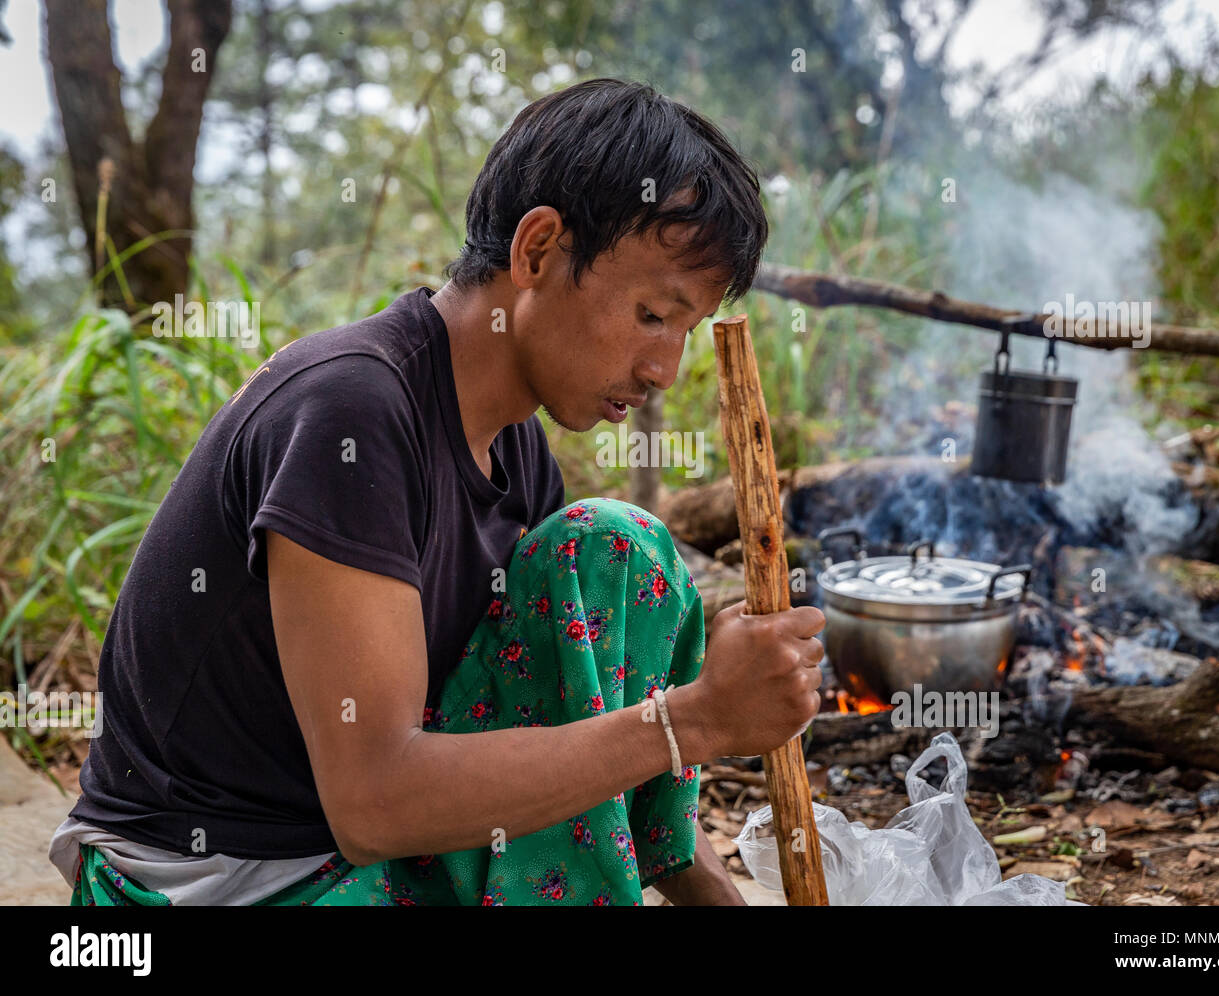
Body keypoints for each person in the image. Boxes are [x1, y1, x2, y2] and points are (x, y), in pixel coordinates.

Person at [50, 77, 826, 906]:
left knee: (615, 551)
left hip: (362, 859)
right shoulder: (352, 411)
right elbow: (375, 803)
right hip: (225, 880)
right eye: (652, 313)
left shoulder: (519, 450)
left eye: (686, 329)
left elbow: (578, 751)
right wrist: (697, 719)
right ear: (537, 252)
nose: (664, 368)